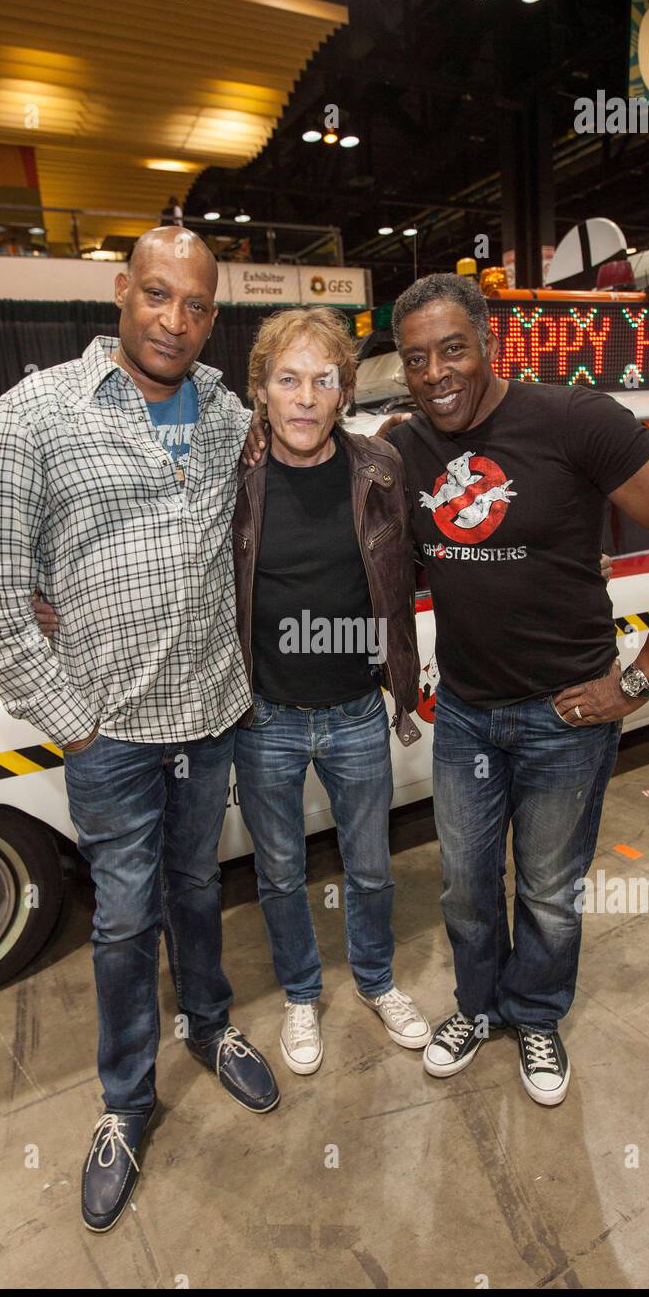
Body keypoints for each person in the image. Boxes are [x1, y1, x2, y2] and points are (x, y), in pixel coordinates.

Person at [0, 227, 276, 1234]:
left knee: (198, 887)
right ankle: (126, 1103)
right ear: (119, 291)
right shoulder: (37, 411)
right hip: (112, 734)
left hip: (213, 713)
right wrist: (75, 723)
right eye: (155, 295)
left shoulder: (234, 415)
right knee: (121, 922)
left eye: (193, 305)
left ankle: (212, 1026)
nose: (172, 320)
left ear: (212, 317)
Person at [380, 272, 649, 1104]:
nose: (435, 372)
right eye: (416, 358)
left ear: (488, 344)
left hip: (567, 717)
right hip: (467, 711)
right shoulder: (406, 446)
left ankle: (534, 1012)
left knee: (547, 890)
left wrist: (640, 680)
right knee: (467, 885)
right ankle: (478, 1007)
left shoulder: (570, 418)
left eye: (451, 349)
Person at [232, 308, 429, 1074]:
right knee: (278, 872)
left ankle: (377, 981)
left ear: (345, 390)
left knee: (371, 865)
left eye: (322, 379)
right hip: (262, 720)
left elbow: (426, 555)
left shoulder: (380, 469)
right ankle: (300, 995)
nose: (305, 397)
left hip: (355, 713)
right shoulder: (234, 480)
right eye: (288, 379)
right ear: (262, 393)